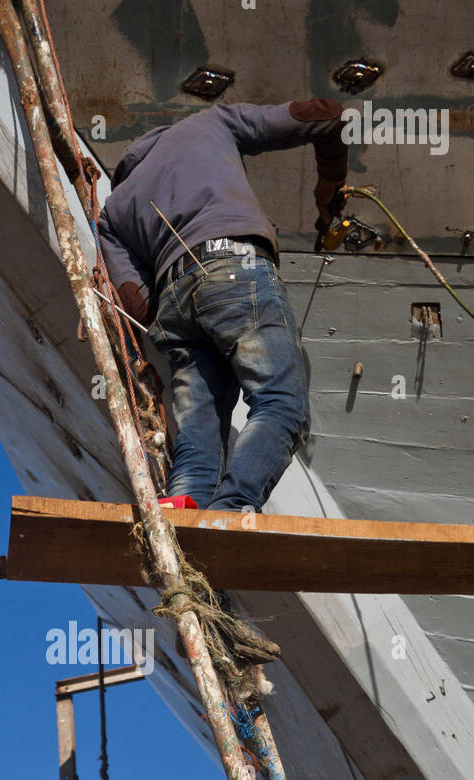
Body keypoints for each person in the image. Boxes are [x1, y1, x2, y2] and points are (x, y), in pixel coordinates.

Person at [97, 98, 348, 512]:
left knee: (199, 425)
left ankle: (186, 514)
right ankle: (232, 510)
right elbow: (325, 114)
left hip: (174, 307)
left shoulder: (111, 211)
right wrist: (329, 187)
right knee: (282, 403)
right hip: (236, 266)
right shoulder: (210, 123)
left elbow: (136, 305)